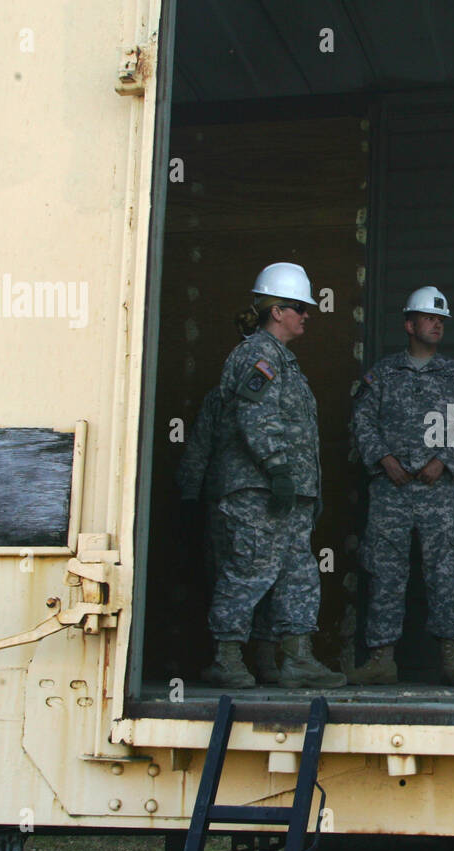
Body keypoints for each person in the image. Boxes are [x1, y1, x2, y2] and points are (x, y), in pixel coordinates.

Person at [201, 262, 345, 689]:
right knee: (249, 569)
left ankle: (292, 658)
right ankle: (226, 658)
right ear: (276, 310)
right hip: (258, 489)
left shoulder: (284, 360)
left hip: (288, 492)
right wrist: (278, 469)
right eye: (299, 307)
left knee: (296, 572)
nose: (307, 315)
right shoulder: (258, 355)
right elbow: (255, 414)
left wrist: (294, 482)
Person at [349, 286, 454, 686]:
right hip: (391, 491)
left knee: (444, 573)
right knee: (385, 572)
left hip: (439, 493)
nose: (437, 323)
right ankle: (381, 660)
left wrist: (444, 461)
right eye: (429, 318)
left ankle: (451, 659)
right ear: (409, 324)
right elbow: (362, 420)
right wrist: (384, 459)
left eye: (441, 319)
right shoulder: (383, 373)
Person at [176, 306, 281, 684]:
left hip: (263, 498)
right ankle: (229, 658)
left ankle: (264, 659)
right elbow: (200, 450)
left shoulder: (275, 388)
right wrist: (189, 498)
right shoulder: (220, 399)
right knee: (232, 576)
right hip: (229, 499)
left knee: (267, 575)